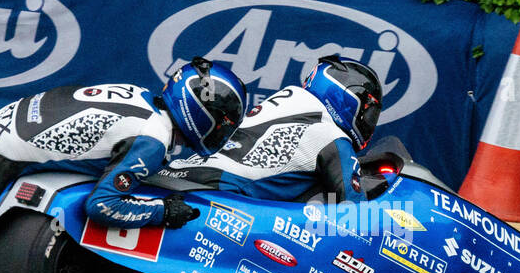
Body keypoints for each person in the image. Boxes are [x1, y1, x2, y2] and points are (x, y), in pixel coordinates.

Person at [0, 57, 246, 273]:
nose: (224, 129)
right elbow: (103, 206)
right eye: (224, 120)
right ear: (201, 112)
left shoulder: (146, 99)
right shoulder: (153, 139)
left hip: (6, 128)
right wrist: (164, 212)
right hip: (3, 151)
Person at [157, 55, 383, 203]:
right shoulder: (331, 135)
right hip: (225, 192)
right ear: (347, 99)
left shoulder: (287, 102)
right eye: (368, 112)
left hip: (178, 172)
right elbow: (353, 207)